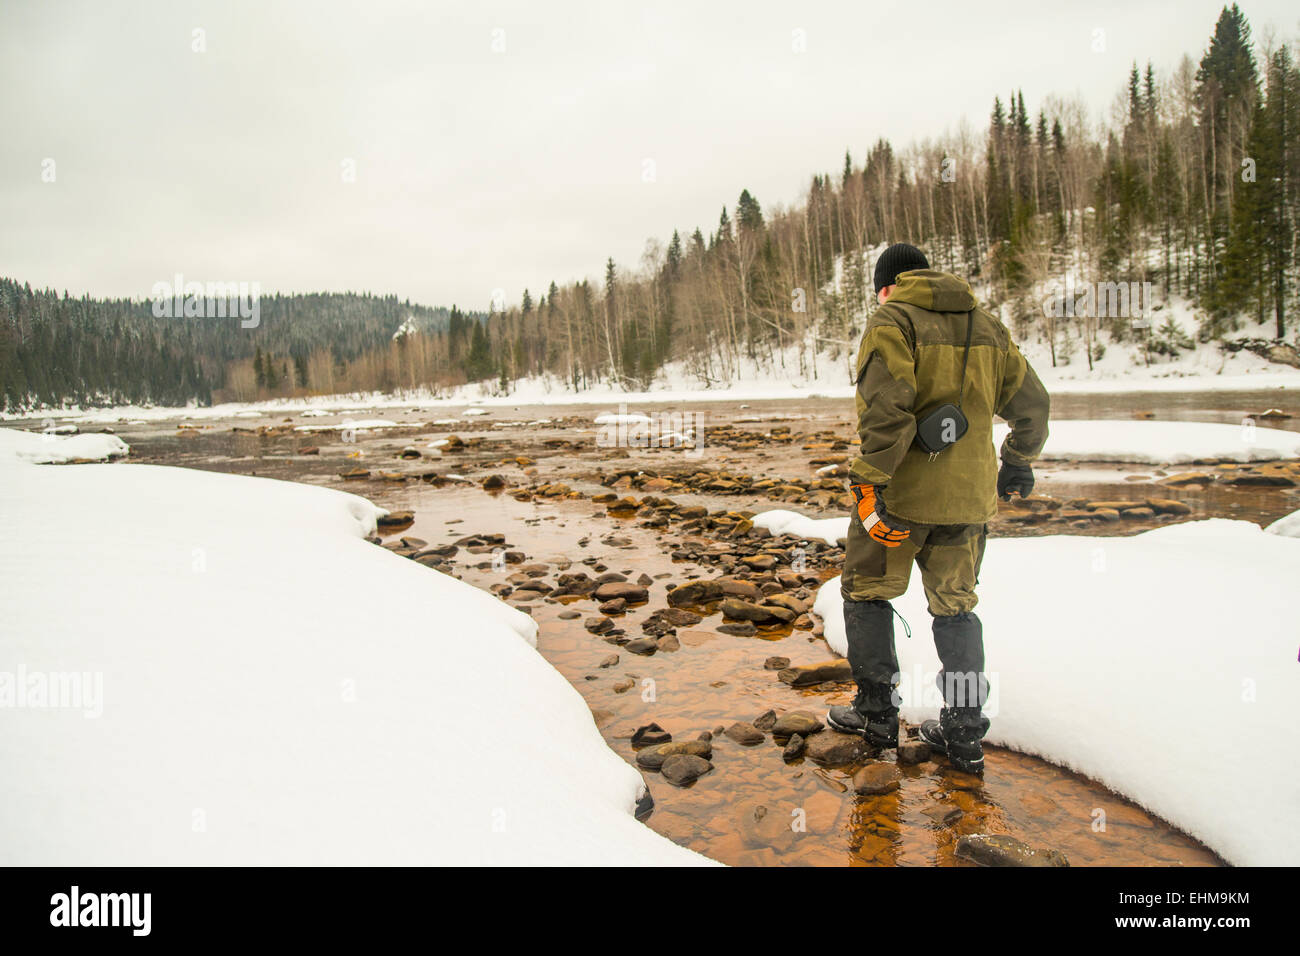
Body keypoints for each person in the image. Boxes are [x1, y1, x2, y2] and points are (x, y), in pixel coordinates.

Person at [826, 243, 1050, 774]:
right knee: (956, 609)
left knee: (865, 593)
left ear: (886, 285)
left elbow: (888, 410)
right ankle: (965, 732)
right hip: (969, 500)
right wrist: (1017, 461)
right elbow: (1034, 406)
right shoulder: (989, 326)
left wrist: (868, 483)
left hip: (898, 499)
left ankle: (877, 715)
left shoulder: (891, 319)